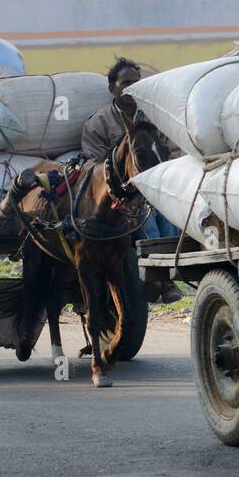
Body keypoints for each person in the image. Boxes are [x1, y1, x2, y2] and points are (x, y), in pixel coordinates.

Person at [82, 57, 182, 302]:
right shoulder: (99, 122)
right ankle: (163, 278)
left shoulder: (153, 117)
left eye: (136, 82)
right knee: (144, 222)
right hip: (119, 194)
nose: (131, 87)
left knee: (170, 217)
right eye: (125, 82)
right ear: (112, 88)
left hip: (155, 188)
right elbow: (91, 163)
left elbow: (172, 148)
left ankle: (170, 270)